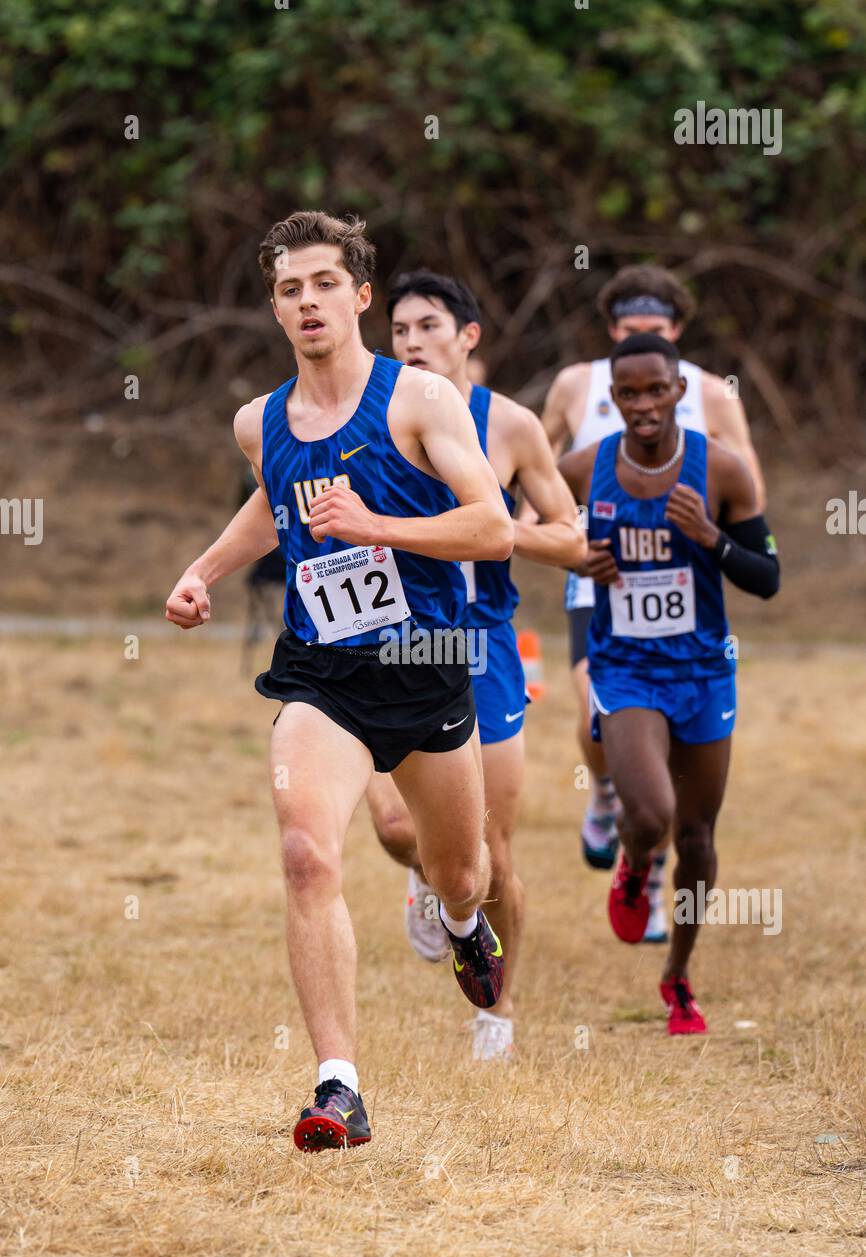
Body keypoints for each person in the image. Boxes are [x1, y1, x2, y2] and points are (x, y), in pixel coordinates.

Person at [165, 212, 514, 1151]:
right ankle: (339, 1087)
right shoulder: (259, 422)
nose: (308, 301)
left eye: (325, 283)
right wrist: (202, 571)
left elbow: (494, 530)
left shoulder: (422, 402)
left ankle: (462, 920)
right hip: (323, 675)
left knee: (459, 868)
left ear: (361, 296)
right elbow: (273, 506)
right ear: (274, 308)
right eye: (289, 288)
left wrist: (379, 528)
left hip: (428, 666)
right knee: (307, 854)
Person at [365, 270, 585, 1060]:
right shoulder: (372, 412)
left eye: (429, 327)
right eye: (399, 331)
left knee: (492, 854)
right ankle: (426, 879)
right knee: (395, 826)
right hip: (387, 639)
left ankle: (496, 1009)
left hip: (479, 644)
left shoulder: (512, 426)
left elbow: (573, 539)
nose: (413, 343)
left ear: (468, 338)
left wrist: (492, 528)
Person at [558, 333, 779, 1035]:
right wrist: (575, 554)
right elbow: (518, 521)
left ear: (680, 390)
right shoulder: (585, 467)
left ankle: (677, 976)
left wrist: (711, 538)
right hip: (624, 667)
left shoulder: (723, 470)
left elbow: (767, 577)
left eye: (658, 389)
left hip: (704, 671)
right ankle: (631, 859)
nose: (646, 404)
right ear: (614, 398)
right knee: (651, 816)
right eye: (631, 392)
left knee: (699, 837)